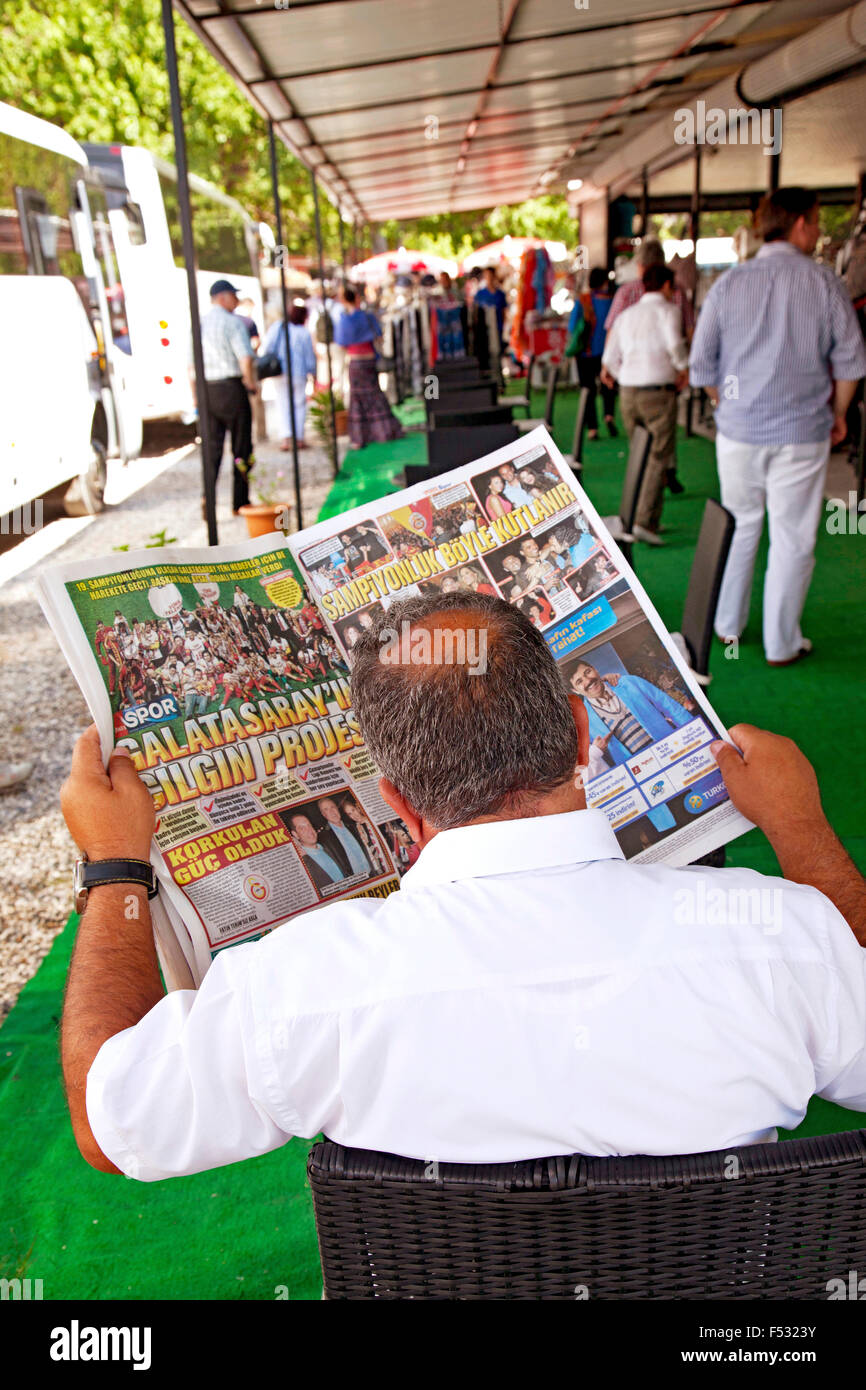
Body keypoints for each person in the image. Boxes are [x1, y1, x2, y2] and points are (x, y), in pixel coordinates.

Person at [58, 592, 866, 1180]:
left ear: (398, 807)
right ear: (582, 738)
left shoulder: (302, 986)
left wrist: (116, 867)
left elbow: (110, 1121)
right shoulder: (781, 939)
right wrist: (803, 829)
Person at [689, 187, 866, 666]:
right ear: (802, 224)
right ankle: (781, 643)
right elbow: (851, 361)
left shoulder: (728, 284)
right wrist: (839, 414)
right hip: (802, 431)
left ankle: (726, 628)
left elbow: (701, 367)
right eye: (817, 220)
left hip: (739, 432)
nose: (820, 229)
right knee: (792, 537)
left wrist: (727, 403)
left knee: (741, 525)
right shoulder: (824, 283)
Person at [602, 264, 690, 546]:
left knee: (639, 454)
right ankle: (644, 521)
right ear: (666, 285)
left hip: (628, 392)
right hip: (657, 392)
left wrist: (625, 377)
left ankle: (636, 516)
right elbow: (675, 346)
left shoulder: (626, 316)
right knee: (657, 458)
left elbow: (610, 359)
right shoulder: (669, 311)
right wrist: (684, 369)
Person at [198, 280, 257, 515]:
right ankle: (240, 501)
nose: (236, 301)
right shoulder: (233, 323)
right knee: (241, 446)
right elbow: (245, 356)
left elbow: (192, 366)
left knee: (212, 449)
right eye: (233, 296)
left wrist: (195, 396)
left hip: (207, 390)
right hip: (231, 388)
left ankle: (208, 498)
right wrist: (249, 381)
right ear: (222, 297)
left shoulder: (199, 323)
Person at [567, 659, 692, 769]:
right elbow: (589, 763)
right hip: (640, 773)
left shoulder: (629, 683)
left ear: (594, 669)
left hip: (672, 750)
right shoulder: (583, 722)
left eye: (588, 672)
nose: (588, 680)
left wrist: (694, 733)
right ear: (575, 691)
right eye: (579, 681)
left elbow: (670, 707)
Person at [334, 287, 403, 448]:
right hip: (370, 360)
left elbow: (341, 344)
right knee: (374, 393)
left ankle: (360, 437)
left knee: (358, 397)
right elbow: (379, 336)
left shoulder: (344, 320)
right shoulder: (367, 316)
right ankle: (384, 431)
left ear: (344, 300)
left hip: (356, 362)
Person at [261, 301, 317, 451]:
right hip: (296, 372)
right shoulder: (302, 332)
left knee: (283, 404)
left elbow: (267, 347)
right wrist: (313, 372)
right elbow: (309, 356)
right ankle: (297, 438)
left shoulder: (278, 328)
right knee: (298, 404)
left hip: (281, 372)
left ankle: (287, 438)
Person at [576, 268, 617, 439]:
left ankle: (592, 428)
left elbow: (573, 327)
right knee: (609, 385)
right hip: (608, 352)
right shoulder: (613, 301)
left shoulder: (584, 300)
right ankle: (609, 415)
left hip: (586, 352)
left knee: (588, 390)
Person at [287, 812, 344, 891]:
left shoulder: (327, 848)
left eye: (309, 825)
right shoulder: (301, 861)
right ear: (296, 835)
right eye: (302, 828)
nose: (309, 830)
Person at [318, 797, 371, 876]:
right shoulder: (323, 838)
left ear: (337, 808)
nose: (332, 812)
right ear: (323, 814)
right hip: (355, 881)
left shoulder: (354, 826)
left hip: (373, 872)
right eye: (326, 809)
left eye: (332, 807)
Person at [473, 266, 508, 343]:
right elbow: (476, 312)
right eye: (487, 275)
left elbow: (504, 311)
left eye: (490, 275)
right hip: (485, 327)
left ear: (494, 276)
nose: (489, 277)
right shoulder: (480, 293)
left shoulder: (500, 294)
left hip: (498, 325)